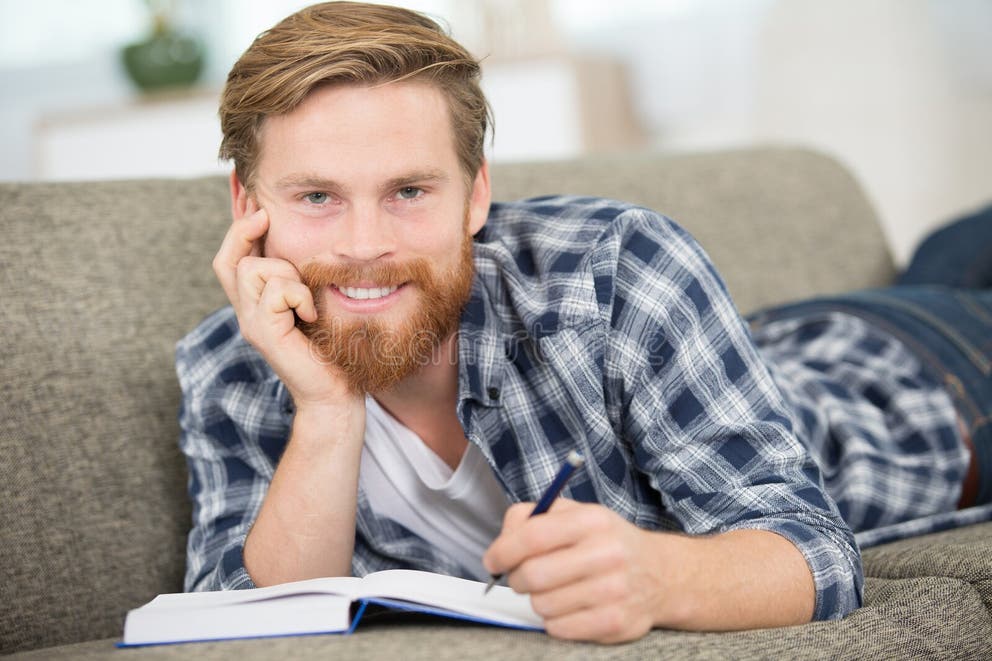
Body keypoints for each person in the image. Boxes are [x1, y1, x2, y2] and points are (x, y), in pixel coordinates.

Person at [175, 1, 989, 643]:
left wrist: (657, 575)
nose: (363, 247)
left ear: (477, 194)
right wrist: (327, 406)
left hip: (933, 381)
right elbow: (246, 623)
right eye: (316, 197)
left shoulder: (616, 264)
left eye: (410, 191)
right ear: (249, 207)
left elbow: (815, 555)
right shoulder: (231, 368)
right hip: (784, 342)